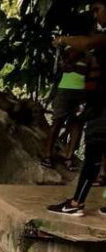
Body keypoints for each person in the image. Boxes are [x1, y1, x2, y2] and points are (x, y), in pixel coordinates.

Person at [48, 1, 106, 217]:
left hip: (102, 108)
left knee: (92, 153)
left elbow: (88, 43)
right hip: (98, 104)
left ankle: (76, 203)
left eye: (97, 9)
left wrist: (63, 39)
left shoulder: (101, 38)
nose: (95, 14)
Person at [42, 17, 92, 170]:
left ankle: (69, 157)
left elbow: (86, 68)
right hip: (65, 88)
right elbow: (64, 65)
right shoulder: (70, 46)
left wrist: (75, 65)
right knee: (57, 122)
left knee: (76, 123)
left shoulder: (88, 47)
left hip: (82, 90)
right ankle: (47, 155)